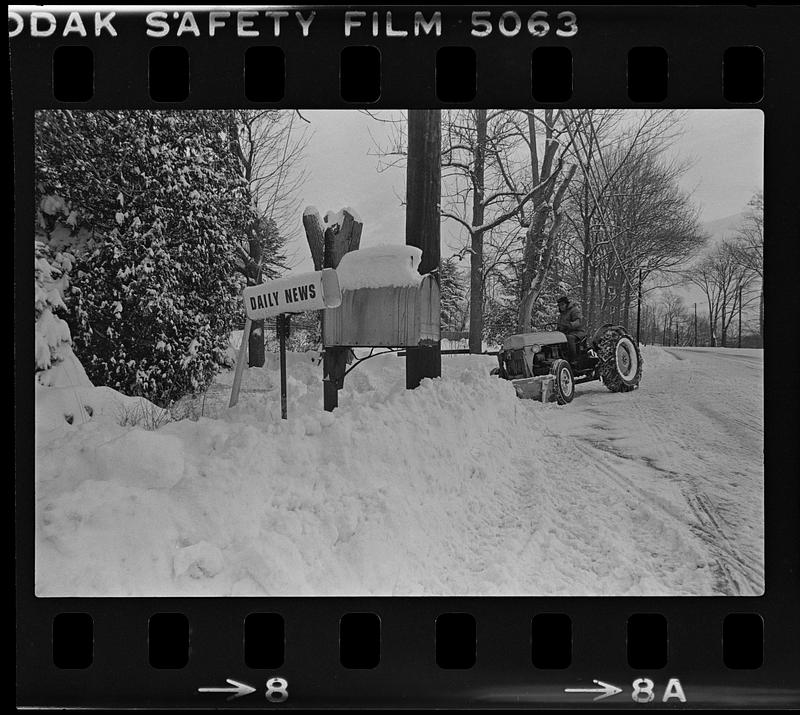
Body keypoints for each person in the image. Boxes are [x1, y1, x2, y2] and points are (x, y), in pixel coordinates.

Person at [556, 295, 586, 363]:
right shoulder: (561, 315)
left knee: (569, 338)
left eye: (562, 304)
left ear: (566, 304)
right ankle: (560, 356)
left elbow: (578, 321)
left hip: (577, 332)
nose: (561, 306)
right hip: (566, 332)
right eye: (559, 305)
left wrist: (570, 325)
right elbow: (560, 325)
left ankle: (573, 359)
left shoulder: (574, 310)